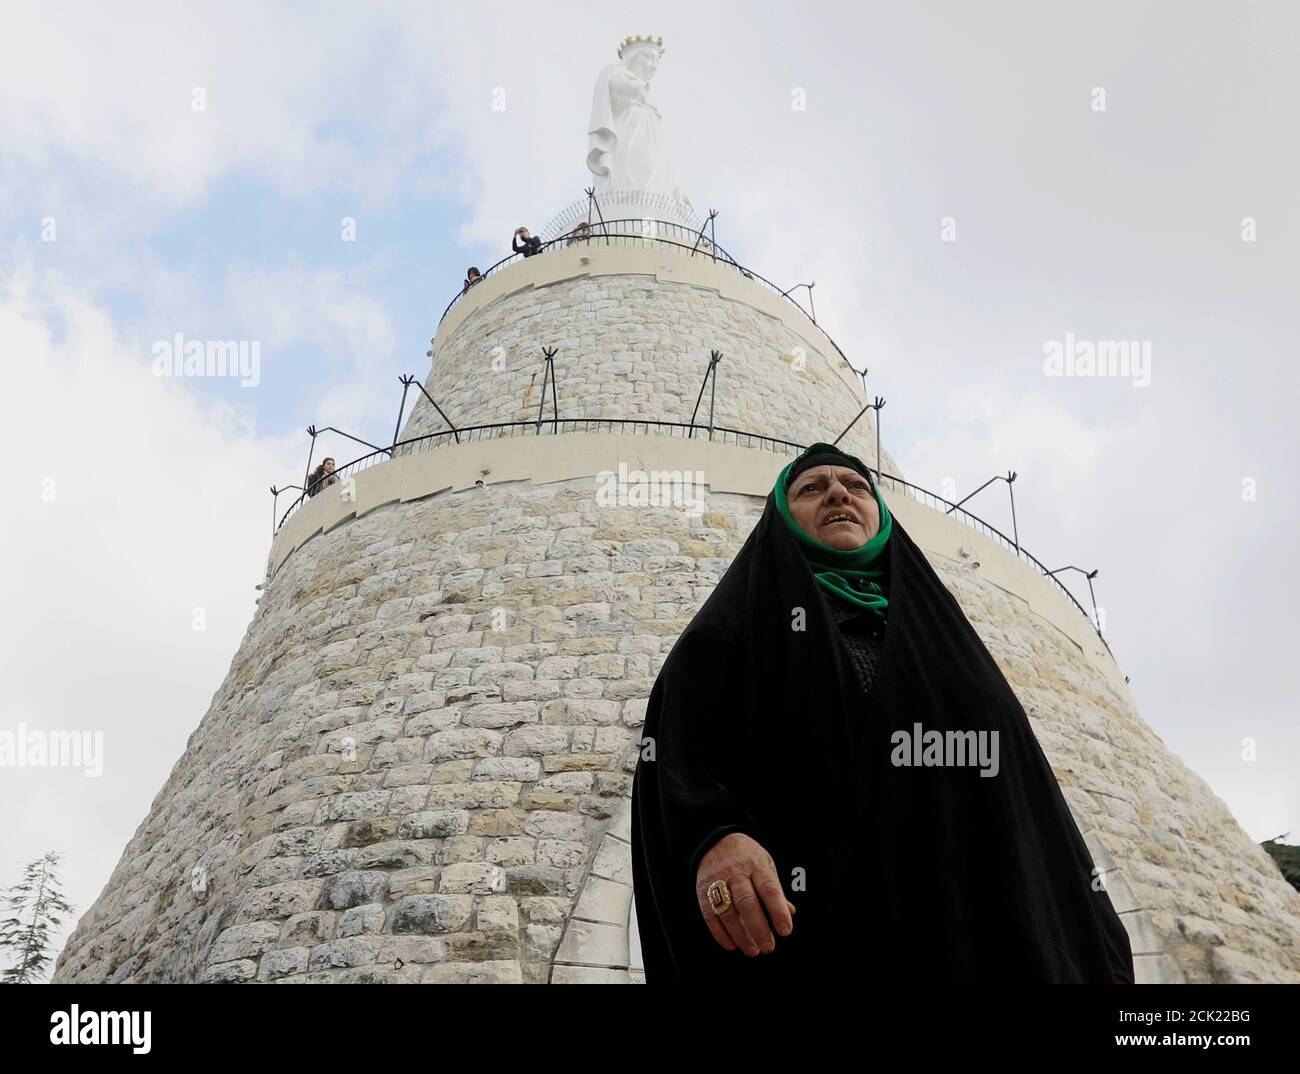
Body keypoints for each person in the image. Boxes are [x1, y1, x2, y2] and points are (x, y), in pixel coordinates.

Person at [631, 441, 1135, 983]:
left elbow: (1027, 795)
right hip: (816, 935)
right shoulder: (736, 628)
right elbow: (679, 748)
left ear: (880, 514)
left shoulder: (943, 635)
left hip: (971, 929)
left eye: (855, 487)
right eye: (811, 488)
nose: (837, 495)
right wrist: (713, 835)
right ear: (782, 513)